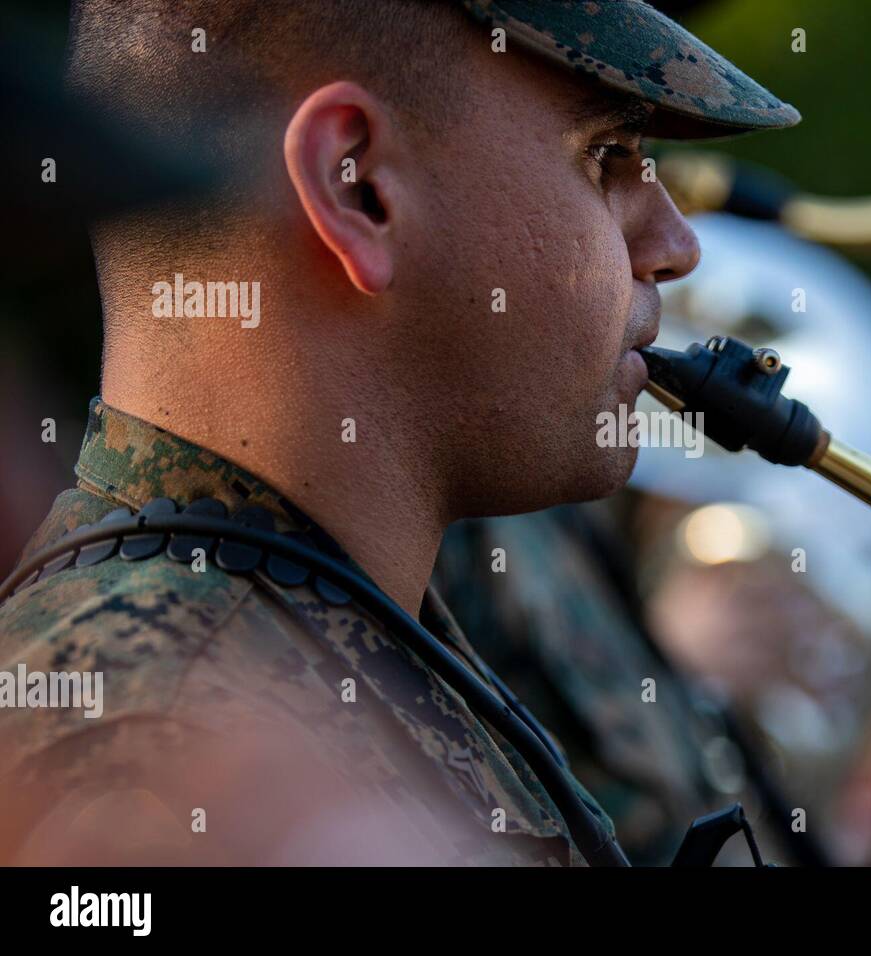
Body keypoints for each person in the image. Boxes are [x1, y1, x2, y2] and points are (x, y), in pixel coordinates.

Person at [0, 0, 798, 866]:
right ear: (358, 186)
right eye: (607, 157)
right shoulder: (157, 745)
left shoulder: (332, 628)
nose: (678, 245)